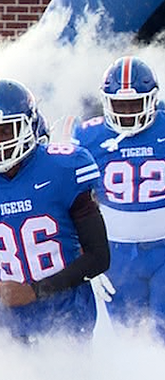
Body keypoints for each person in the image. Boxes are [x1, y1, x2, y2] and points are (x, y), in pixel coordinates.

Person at [0, 78, 108, 343]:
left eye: (6, 130)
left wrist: (34, 291)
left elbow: (99, 256)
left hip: (66, 307)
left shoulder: (64, 168)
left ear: (28, 126)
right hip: (2, 309)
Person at [74, 56, 165, 340]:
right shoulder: (88, 136)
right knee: (131, 338)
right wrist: (84, 255)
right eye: (120, 104)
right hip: (116, 254)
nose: (127, 112)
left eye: (135, 103)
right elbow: (72, 202)